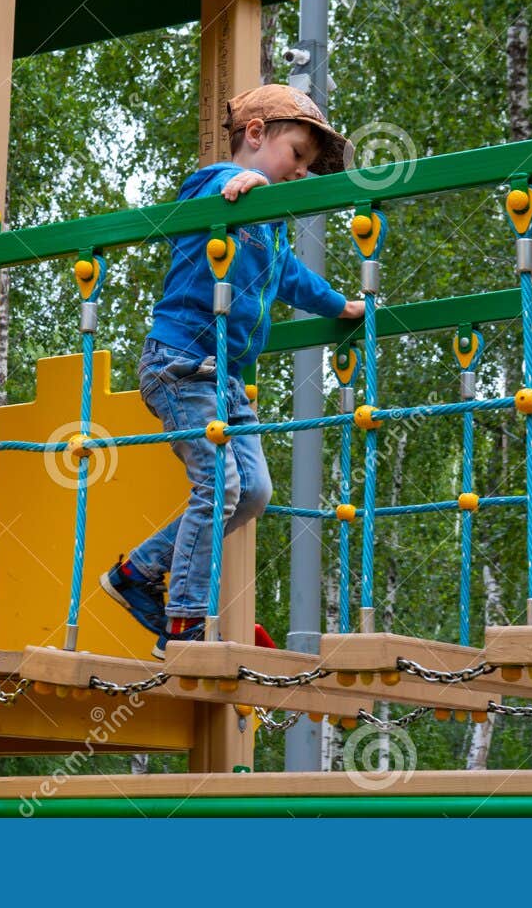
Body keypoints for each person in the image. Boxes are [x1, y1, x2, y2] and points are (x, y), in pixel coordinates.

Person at [101, 84, 366, 658]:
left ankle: (137, 573)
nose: (298, 173)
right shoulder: (215, 185)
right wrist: (243, 186)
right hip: (180, 364)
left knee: (254, 494)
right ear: (255, 135)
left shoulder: (267, 225)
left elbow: (290, 277)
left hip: (225, 380)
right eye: (295, 156)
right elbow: (204, 194)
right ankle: (184, 622)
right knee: (219, 487)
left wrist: (339, 305)